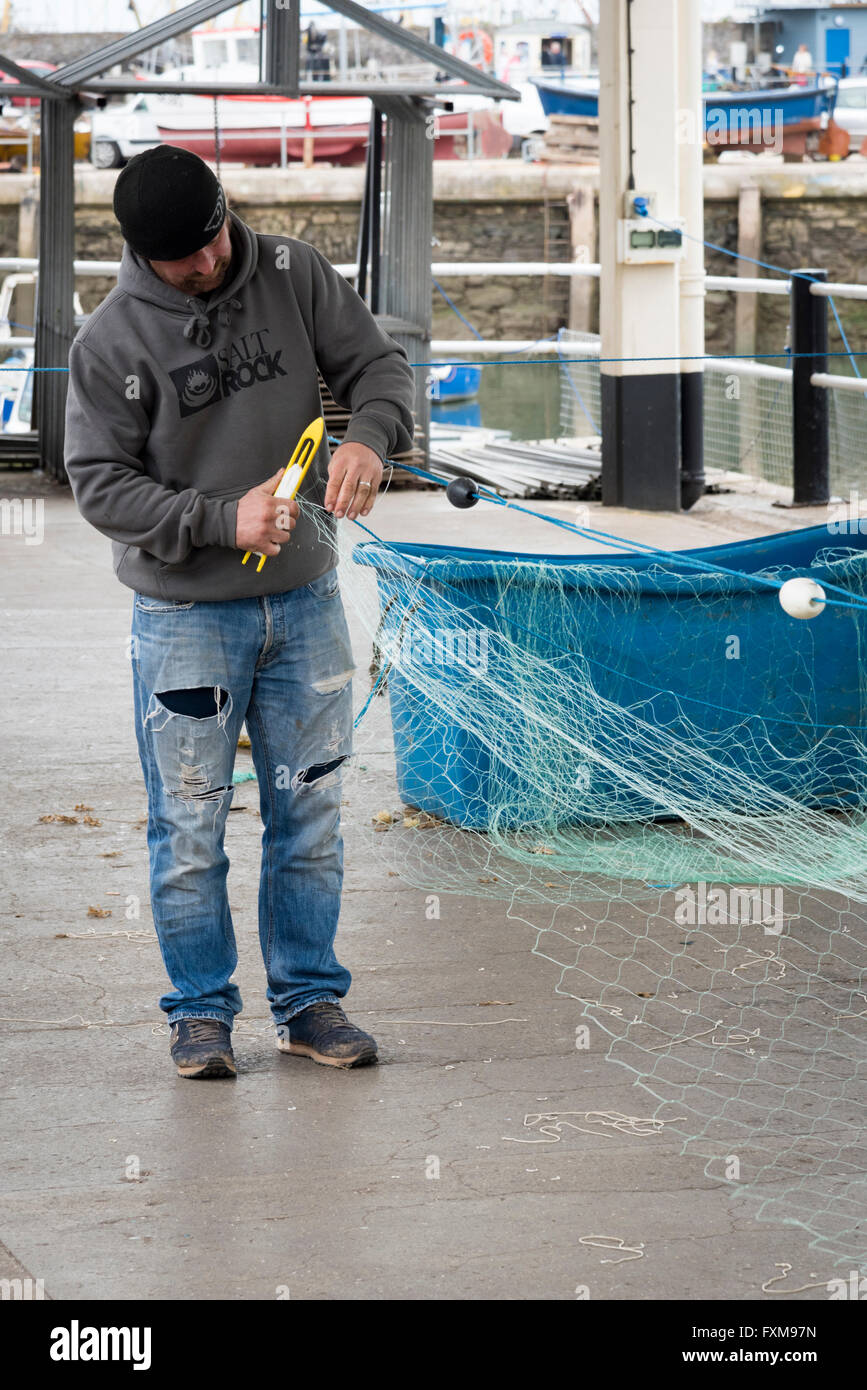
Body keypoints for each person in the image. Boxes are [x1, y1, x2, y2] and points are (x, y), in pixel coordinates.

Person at [64, 146, 415, 1080]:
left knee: (312, 812)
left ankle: (308, 1004)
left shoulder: (294, 272)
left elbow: (380, 368)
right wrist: (222, 520)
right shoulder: (109, 339)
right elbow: (97, 485)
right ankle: (201, 1014)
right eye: (187, 257)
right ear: (141, 253)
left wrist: (370, 441)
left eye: (217, 236)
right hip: (184, 620)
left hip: (305, 604)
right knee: (189, 826)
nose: (211, 262)